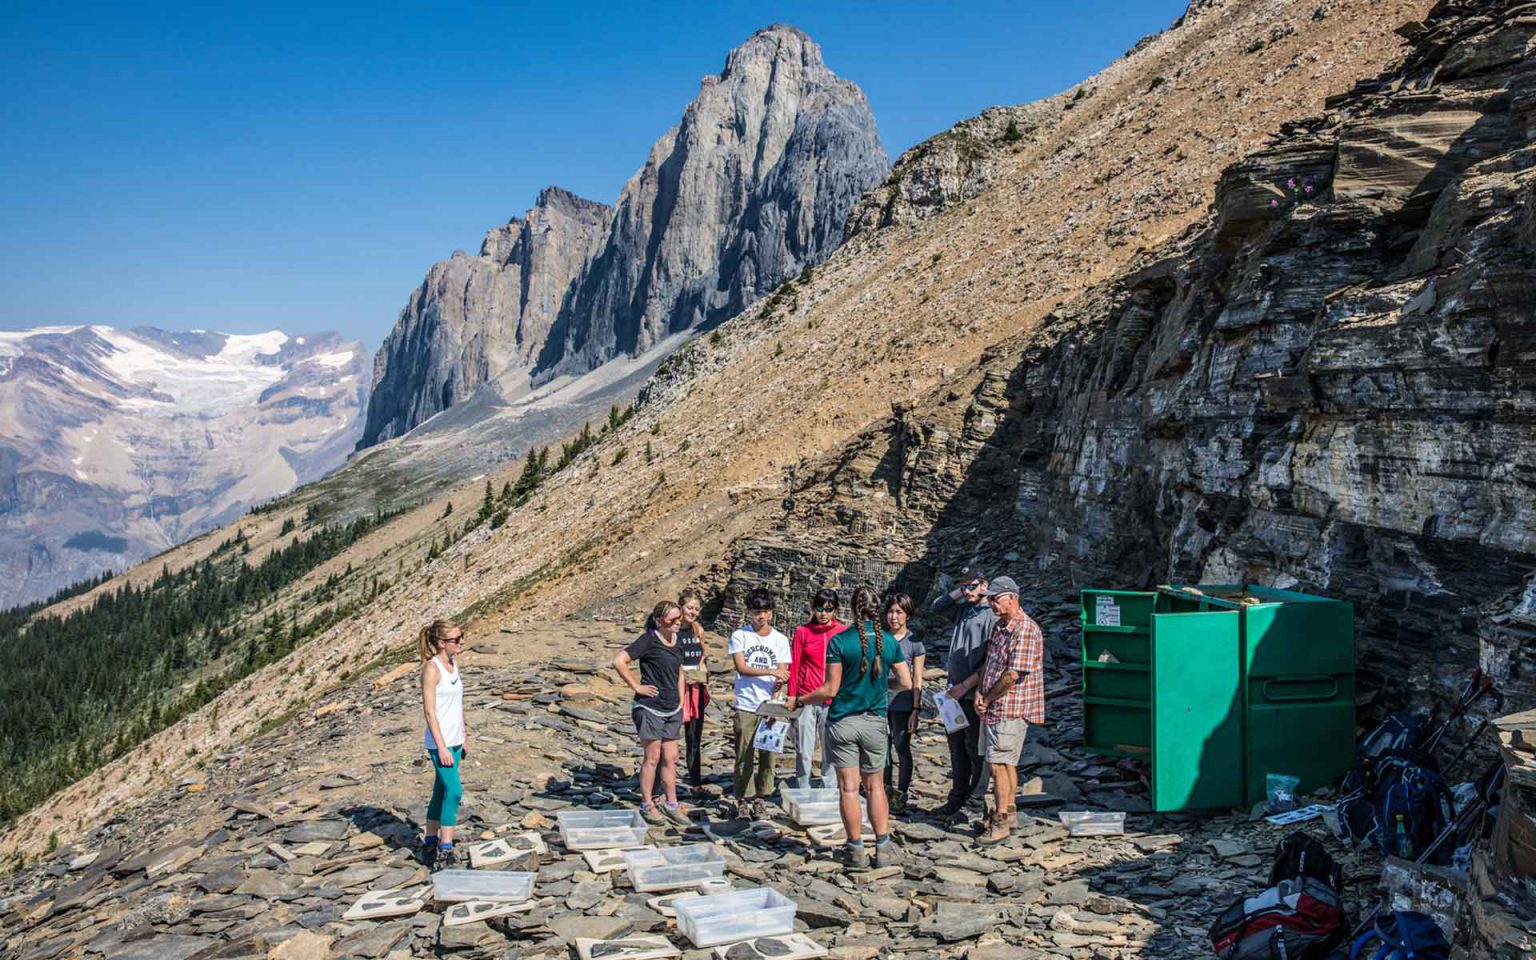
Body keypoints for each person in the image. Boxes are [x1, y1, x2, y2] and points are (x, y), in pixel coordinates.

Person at [800, 586, 913, 869]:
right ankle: (883, 846)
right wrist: (881, 685)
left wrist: (800, 700)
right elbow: (906, 682)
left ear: (852, 609)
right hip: (874, 721)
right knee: (875, 787)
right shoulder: (889, 642)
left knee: (848, 788)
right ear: (878, 611)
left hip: (843, 722)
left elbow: (830, 688)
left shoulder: (840, 642)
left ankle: (855, 849)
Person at [973, 576, 1045, 845]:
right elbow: (991, 664)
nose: (991, 603)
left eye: (996, 598)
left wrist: (989, 698)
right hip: (995, 706)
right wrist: (981, 691)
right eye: (990, 598)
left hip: (1009, 707)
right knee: (1005, 761)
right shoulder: (1001, 627)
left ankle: (1000, 820)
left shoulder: (1024, 629)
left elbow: (1013, 674)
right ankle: (1010, 811)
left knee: (999, 764)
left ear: (1012, 598)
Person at [614, 600, 691, 825]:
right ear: (659, 621)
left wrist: (681, 701)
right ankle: (647, 803)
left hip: (672, 707)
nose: (677, 624)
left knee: (672, 758)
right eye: (672, 620)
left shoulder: (678, 642)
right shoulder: (648, 639)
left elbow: (679, 673)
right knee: (653, 757)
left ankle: (671, 803)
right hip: (649, 707)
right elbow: (619, 660)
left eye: (679, 619)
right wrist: (636, 687)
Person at [931, 565, 997, 820]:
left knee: (974, 748)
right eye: (964, 585)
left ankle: (974, 800)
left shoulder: (991, 615)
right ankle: (956, 798)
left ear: (984, 585)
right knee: (956, 748)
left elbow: (992, 661)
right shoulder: (964, 610)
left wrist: (967, 686)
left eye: (973, 585)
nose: (967, 590)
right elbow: (937, 607)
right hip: (952, 694)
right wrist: (960, 592)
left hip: (972, 694)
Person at [725, 588, 791, 820]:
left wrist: (775, 702)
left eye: (764, 611)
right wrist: (771, 671)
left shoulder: (780, 640)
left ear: (771, 613)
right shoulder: (740, 636)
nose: (760, 616)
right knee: (744, 753)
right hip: (746, 703)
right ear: (749, 613)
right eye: (756, 612)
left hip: (769, 705)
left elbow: (783, 674)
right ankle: (743, 798)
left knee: (767, 753)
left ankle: (761, 798)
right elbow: (741, 667)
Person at [419, 619, 468, 871]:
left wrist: (464, 734)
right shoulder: (432, 669)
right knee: (454, 791)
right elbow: (429, 711)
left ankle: (430, 840)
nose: (461, 642)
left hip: (455, 739)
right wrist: (441, 746)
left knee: (441, 790)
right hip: (441, 742)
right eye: (456, 639)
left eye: (461, 637)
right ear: (441, 643)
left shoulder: (453, 664)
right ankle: (445, 848)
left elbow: (457, 703)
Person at [785, 588, 845, 789]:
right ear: (813, 609)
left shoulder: (842, 632)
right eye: (820, 608)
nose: (824, 613)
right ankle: (802, 785)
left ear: (835, 610)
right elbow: (794, 665)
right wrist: (792, 695)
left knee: (830, 747)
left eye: (829, 609)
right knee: (804, 747)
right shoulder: (803, 632)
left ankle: (830, 787)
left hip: (833, 699)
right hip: (807, 697)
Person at [882, 593, 925, 815]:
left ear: (907, 614)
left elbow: (917, 678)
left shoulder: (914, 643)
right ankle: (884, 791)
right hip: (880, 703)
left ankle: (901, 792)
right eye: (890, 611)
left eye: (899, 612)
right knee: (882, 749)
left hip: (903, 704)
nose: (894, 617)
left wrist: (915, 710)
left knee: (901, 746)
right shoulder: (880, 638)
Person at [676, 590, 710, 795]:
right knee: (669, 736)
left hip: (695, 687)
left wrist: (702, 666)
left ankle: (695, 782)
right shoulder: (673, 629)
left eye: (697, 609)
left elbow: (702, 654)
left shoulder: (698, 630)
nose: (693, 612)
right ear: (680, 607)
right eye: (690, 607)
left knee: (694, 736)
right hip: (676, 688)